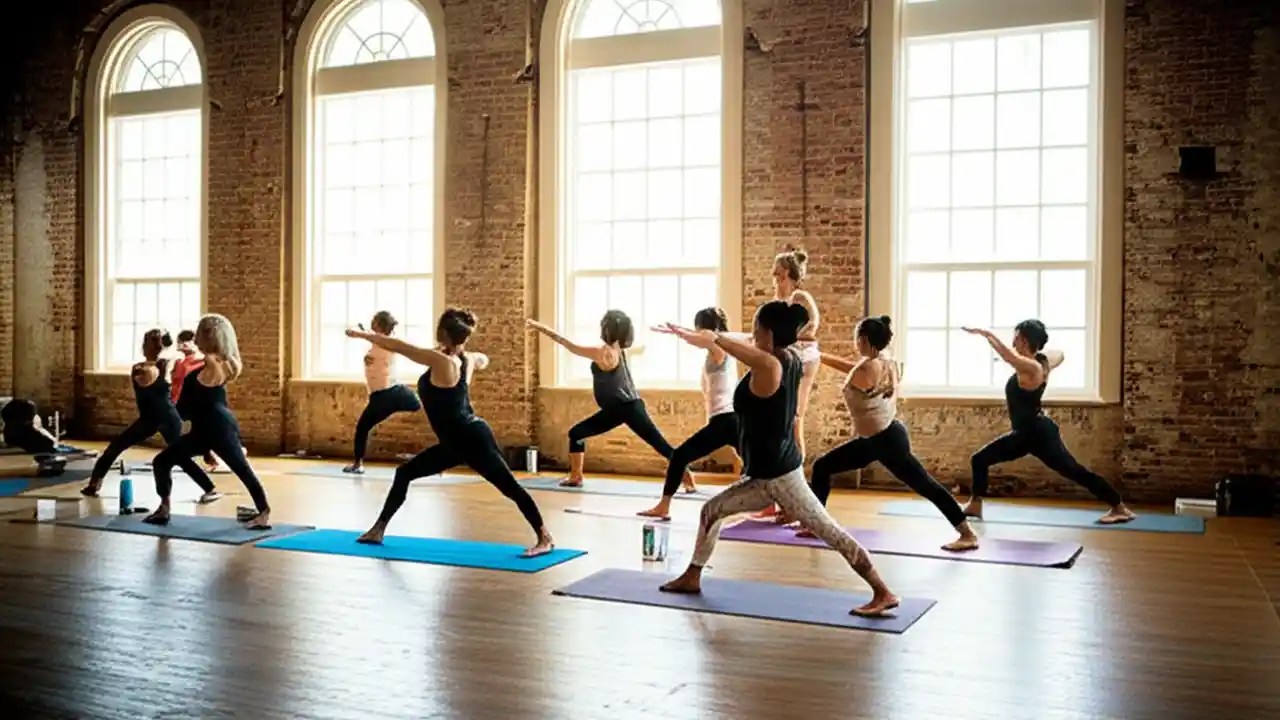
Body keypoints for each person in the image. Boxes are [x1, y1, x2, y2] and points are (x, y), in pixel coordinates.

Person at [659, 301, 898, 617]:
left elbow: (736, 347)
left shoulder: (771, 365)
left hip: (779, 476)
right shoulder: (790, 356)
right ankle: (692, 576)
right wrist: (695, 335)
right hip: (766, 473)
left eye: (757, 327)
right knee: (711, 511)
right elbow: (742, 342)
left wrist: (711, 337)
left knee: (830, 532)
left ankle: (882, 591)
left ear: (769, 333)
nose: (753, 332)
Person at [352, 309, 555, 557]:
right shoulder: (463, 359)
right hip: (452, 443)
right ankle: (378, 530)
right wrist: (473, 358)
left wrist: (363, 335)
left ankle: (545, 538)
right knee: (404, 473)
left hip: (472, 440)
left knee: (510, 487)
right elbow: (482, 359)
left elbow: (401, 347)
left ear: (443, 333)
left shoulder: (442, 362)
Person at [805, 316, 978, 550]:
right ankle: (818, 525)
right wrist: (820, 356)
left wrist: (810, 356)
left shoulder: (866, 370)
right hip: (879, 437)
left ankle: (967, 534)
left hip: (885, 442)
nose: (855, 342)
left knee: (926, 486)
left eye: (857, 338)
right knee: (822, 467)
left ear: (863, 339)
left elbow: (857, 374)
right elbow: (852, 368)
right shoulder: (884, 361)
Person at [962, 321, 1136, 524]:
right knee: (980, 460)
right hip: (1027, 433)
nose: (1013, 343)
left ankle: (1119, 507)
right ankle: (975, 505)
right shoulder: (1041, 363)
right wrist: (1042, 359)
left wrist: (987, 334)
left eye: (1016, 338)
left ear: (1024, 340)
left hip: (1037, 434)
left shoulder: (1032, 367)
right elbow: (1059, 354)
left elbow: (1008, 357)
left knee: (1074, 471)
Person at [145, 314, 271, 528]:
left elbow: (186, 408)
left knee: (242, 469)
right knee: (162, 461)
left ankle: (264, 512)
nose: (195, 338)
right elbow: (189, 409)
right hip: (204, 430)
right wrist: (205, 450)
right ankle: (164, 508)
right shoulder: (210, 367)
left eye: (199, 334)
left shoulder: (211, 366)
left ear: (208, 337)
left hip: (220, 429)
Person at [527, 310, 673, 488]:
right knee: (577, 434)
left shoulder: (601, 352)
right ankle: (576, 476)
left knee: (659, 444)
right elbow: (639, 349)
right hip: (617, 409)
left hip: (627, 407)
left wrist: (539, 327)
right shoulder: (619, 350)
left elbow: (567, 344)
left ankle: (687, 476)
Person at [80, 329, 221, 503]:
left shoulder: (164, 366)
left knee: (179, 456)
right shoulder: (142, 367)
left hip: (167, 418)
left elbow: (150, 376)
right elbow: (144, 375)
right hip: (148, 419)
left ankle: (210, 489)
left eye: (153, 342)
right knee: (116, 446)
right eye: (149, 342)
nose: (149, 346)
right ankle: (94, 485)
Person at [637, 308, 740, 520]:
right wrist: (681, 331)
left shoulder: (719, 348)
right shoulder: (722, 349)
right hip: (730, 419)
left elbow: (704, 339)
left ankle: (664, 506)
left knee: (679, 456)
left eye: (698, 328)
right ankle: (776, 506)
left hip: (726, 419)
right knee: (758, 463)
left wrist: (679, 332)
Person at [754, 248, 821, 521]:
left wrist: (789, 337)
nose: (777, 280)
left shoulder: (800, 297)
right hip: (785, 361)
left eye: (781, 275)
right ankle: (773, 499)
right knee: (776, 425)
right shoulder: (776, 302)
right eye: (774, 276)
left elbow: (812, 326)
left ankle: (794, 503)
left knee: (794, 423)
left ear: (792, 276)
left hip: (803, 362)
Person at [344, 311, 423, 474]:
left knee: (362, 428)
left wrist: (358, 333)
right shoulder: (379, 342)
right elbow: (374, 341)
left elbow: (375, 339)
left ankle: (358, 464)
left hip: (385, 395)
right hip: (389, 393)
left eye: (374, 320)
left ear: (379, 325)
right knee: (416, 403)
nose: (371, 322)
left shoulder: (389, 342)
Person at [170, 329, 220, 472]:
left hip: (191, 403)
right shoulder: (178, 362)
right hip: (177, 400)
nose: (183, 345)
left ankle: (208, 458)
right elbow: (174, 381)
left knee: (190, 433)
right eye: (181, 341)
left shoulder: (200, 363)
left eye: (187, 341)